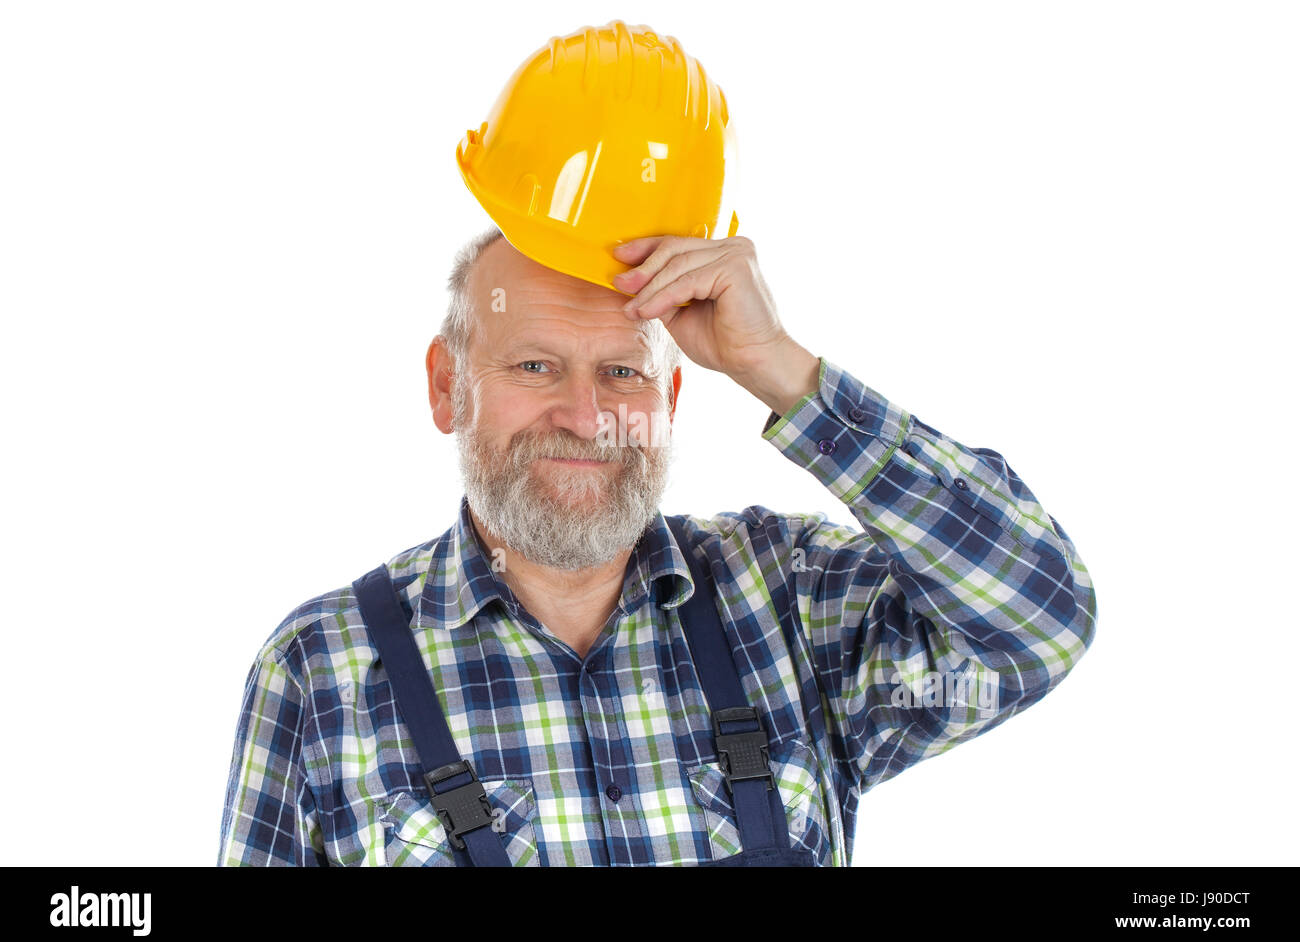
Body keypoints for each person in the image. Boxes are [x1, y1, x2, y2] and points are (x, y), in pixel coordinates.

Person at [217, 227, 1098, 866]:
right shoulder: (323, 671)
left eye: (623, 371)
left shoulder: (784, 596)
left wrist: (780, 369)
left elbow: (1038, 621)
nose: (585, 414)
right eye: (534, 366)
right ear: (448, 388)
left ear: (672, 395)